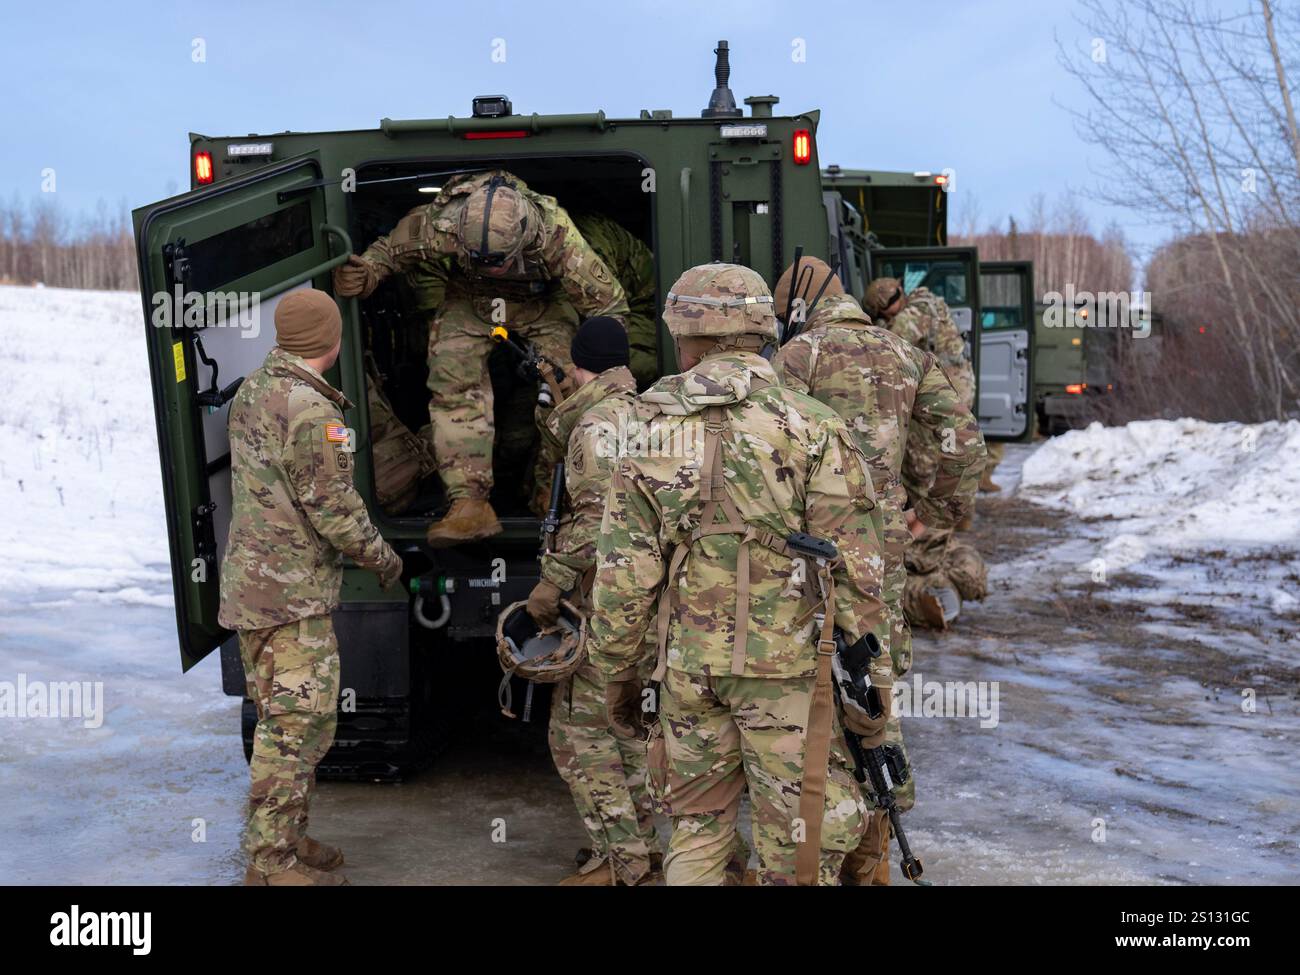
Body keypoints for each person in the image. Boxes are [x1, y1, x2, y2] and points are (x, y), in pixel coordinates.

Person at [586, 262, 892, 886]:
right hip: (789, 670)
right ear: (761, 331)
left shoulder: (645, 428)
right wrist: (873, 685)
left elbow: (622, 578)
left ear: (684, 335)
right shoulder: (814, 425)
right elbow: (859, 572)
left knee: (697, 828)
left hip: (689, 668)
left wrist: (619, 674)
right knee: (798, 839)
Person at [772, 257, 985, 884]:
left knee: (813, 692)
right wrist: (926, 516)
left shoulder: (797, 360)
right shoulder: (904, 354)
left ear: (799, 308)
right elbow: (963, 444)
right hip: (882, 553)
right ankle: (875, 858)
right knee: (875, 687)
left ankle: (817, 842)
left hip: (806, 555)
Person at [333, 169, 629, 546]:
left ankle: (556, 493)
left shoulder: (557, 236)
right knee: (452, 378)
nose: (492, 267)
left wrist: (601, 372)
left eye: (500, 262)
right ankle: (469, 504)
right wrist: (368, 274)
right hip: (470, 300)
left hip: (543, 303)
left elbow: (610, 307)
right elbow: (388, 252)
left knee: (569, 392)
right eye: (481, 259)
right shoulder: (439, 225)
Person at [220, 289, 403, 886]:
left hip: (258, 590)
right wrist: (383, 558)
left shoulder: (254, 389)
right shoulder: (311, 411)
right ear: (332, 338)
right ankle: (269, 865)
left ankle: (289, 839)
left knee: (295, 721)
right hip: (289, 595)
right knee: (293, 729)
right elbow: (333, 509)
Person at [525, 316, 661, 886]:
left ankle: (620, 862)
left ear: (581, 364)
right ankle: (646, 851)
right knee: (630, 728)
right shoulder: (655, 411)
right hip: (653, 602)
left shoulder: (598, 424)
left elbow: (594, 523)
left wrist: (551, 583)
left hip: (605, 604)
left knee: (576, 733)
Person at [571, 212, 660, 389]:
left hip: (643, 309)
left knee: (607, 361)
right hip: (604, 309)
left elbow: (605, 304)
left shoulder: (588, 248)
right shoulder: (554, 243)